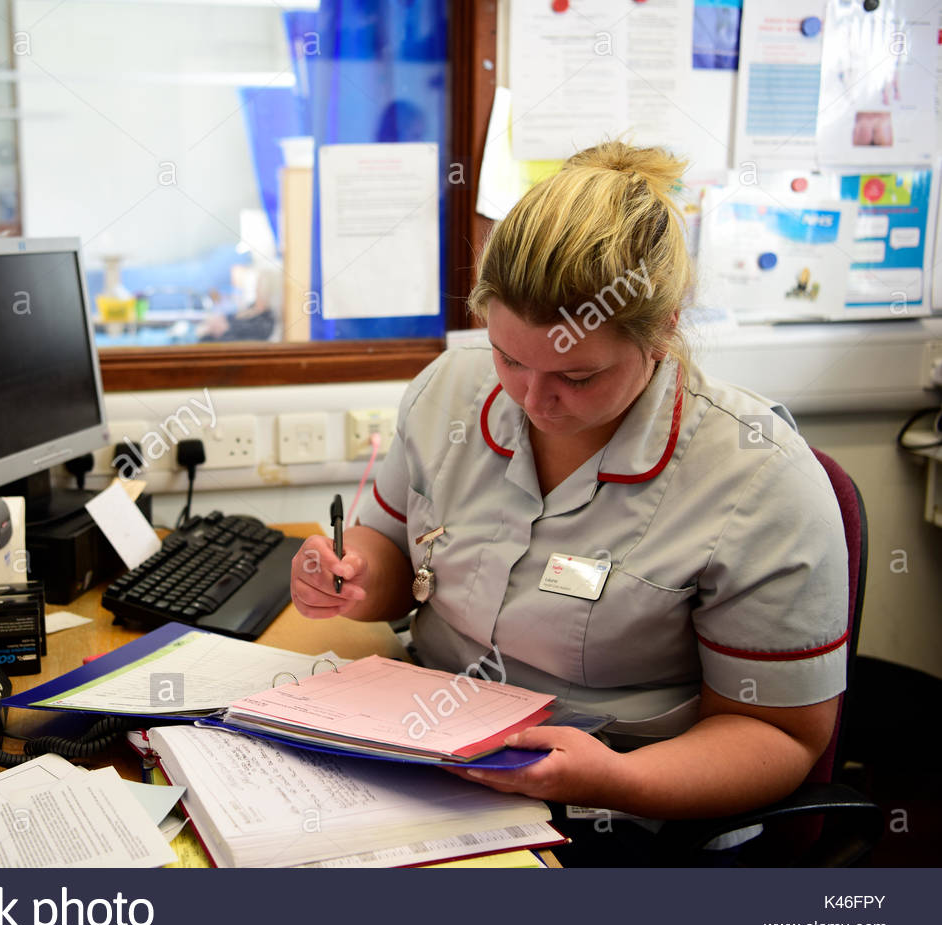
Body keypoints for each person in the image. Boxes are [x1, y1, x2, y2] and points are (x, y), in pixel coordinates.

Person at [289, 142, 848, 851]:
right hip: (420, 748)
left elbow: (780, 734)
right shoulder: (449, 391)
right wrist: (353, 579)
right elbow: (392, 559)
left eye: (577, 376)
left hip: (617, 814)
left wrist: (613, 778)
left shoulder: (760, 478)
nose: (533, 398)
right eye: (511, 357)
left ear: (665, 328)